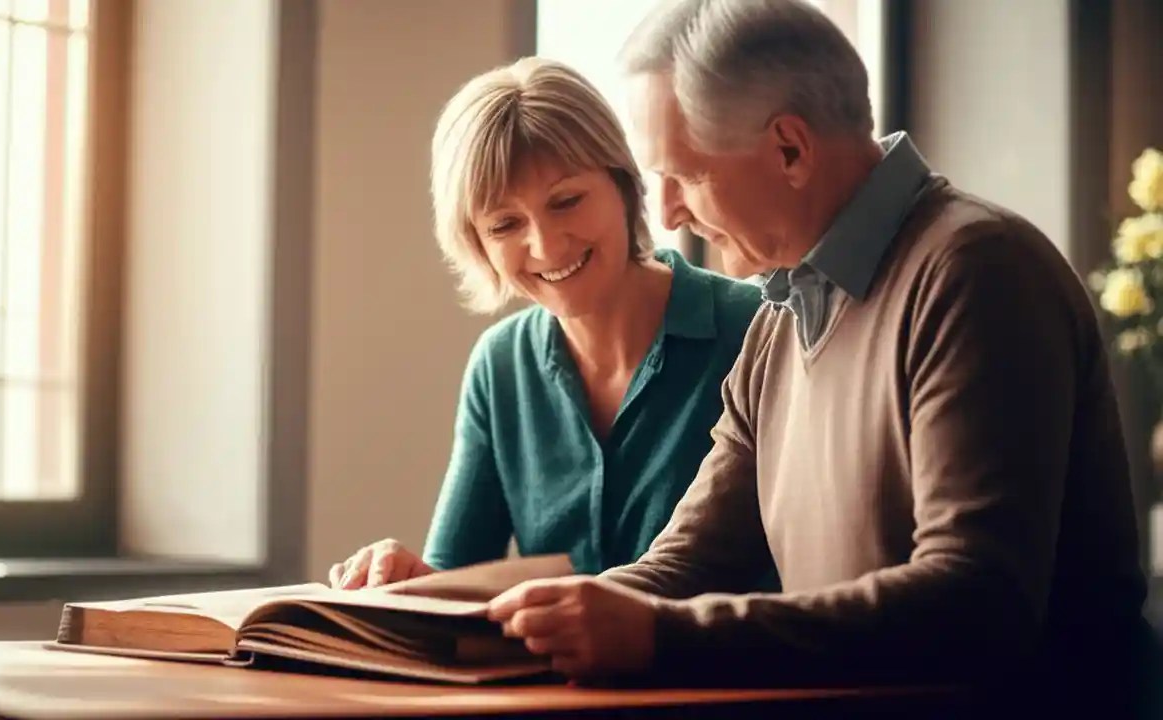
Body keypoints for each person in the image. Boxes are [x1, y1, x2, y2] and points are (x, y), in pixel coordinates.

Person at [488, 0, 1156, 708]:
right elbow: (683, 564)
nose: (670, 212)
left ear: (790, 149)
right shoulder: (783, 316)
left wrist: (663, 634)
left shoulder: (978, 271)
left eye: (684, 175)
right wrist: (496, 628)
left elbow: (977, 601)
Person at [327, 58, 767, 589]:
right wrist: (405, 576)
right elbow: (455, 578)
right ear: (478, 244)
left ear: (623, 185)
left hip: (730, 670)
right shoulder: (500, 365)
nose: (545, 245)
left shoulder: (754, 329)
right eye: (506, 224)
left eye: (566, 201)